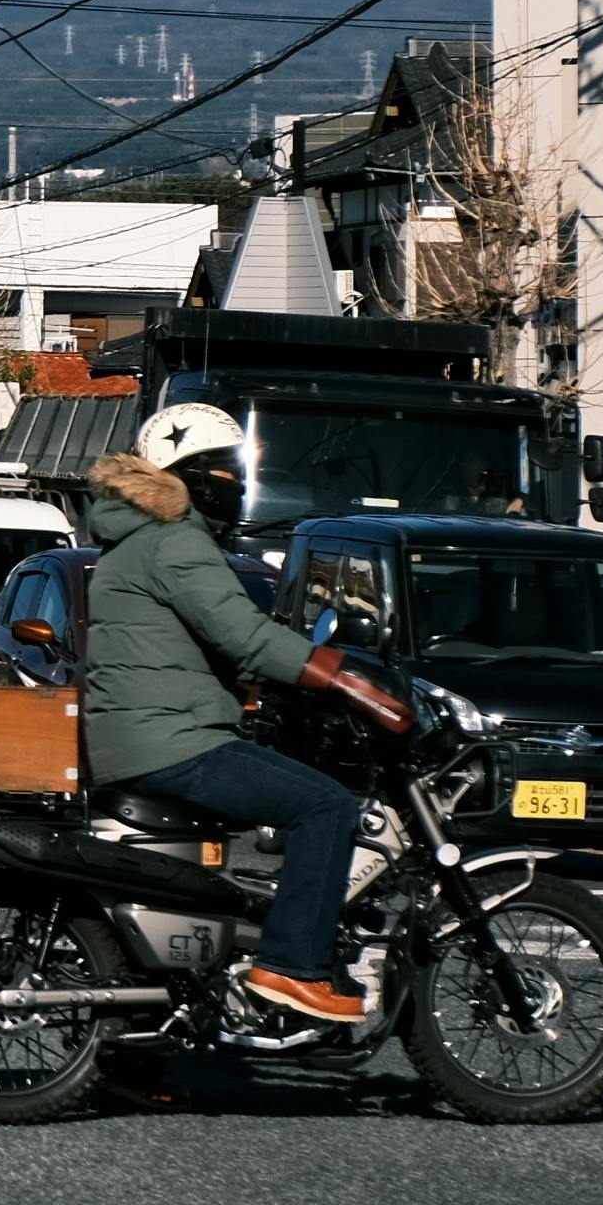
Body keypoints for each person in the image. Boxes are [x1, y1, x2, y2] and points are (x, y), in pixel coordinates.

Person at [81, 402, 411, 1025]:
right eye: (227, 470)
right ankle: (291, 964)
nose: (237, 484)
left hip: (144, 733)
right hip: (172, 741)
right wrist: (345, 679)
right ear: (191, 476)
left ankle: (142, 1045)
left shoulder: (137, 541)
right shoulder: (174, 542)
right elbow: (244, 635)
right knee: (326, 804)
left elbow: (204, 646)